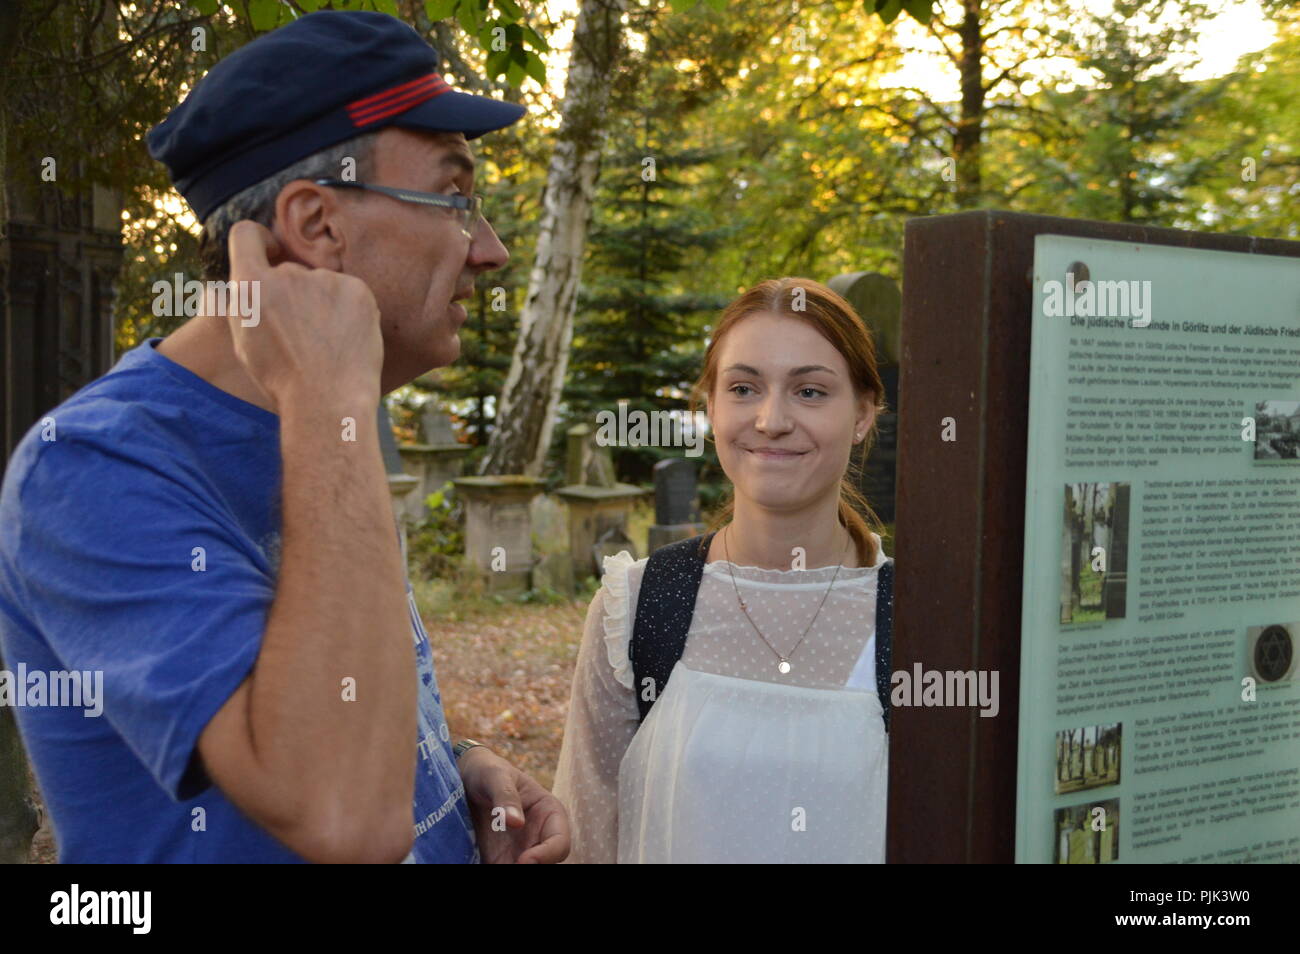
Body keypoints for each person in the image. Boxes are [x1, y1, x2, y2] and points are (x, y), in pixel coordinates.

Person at [0, 10, 568, 863]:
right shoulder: (88, 469)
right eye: (454, 199)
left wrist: (450, 769)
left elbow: (326, 693)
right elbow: (343, 815)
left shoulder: (308, 418)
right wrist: (330, 397)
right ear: (315, 227)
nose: (488, 249)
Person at [553, 277, 894, 863]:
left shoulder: (915, 620)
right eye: (743, 388)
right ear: (709, 406)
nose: (770, 420)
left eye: (810, 392)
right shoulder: (639, 609)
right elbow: (587, 839)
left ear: (862, 414)